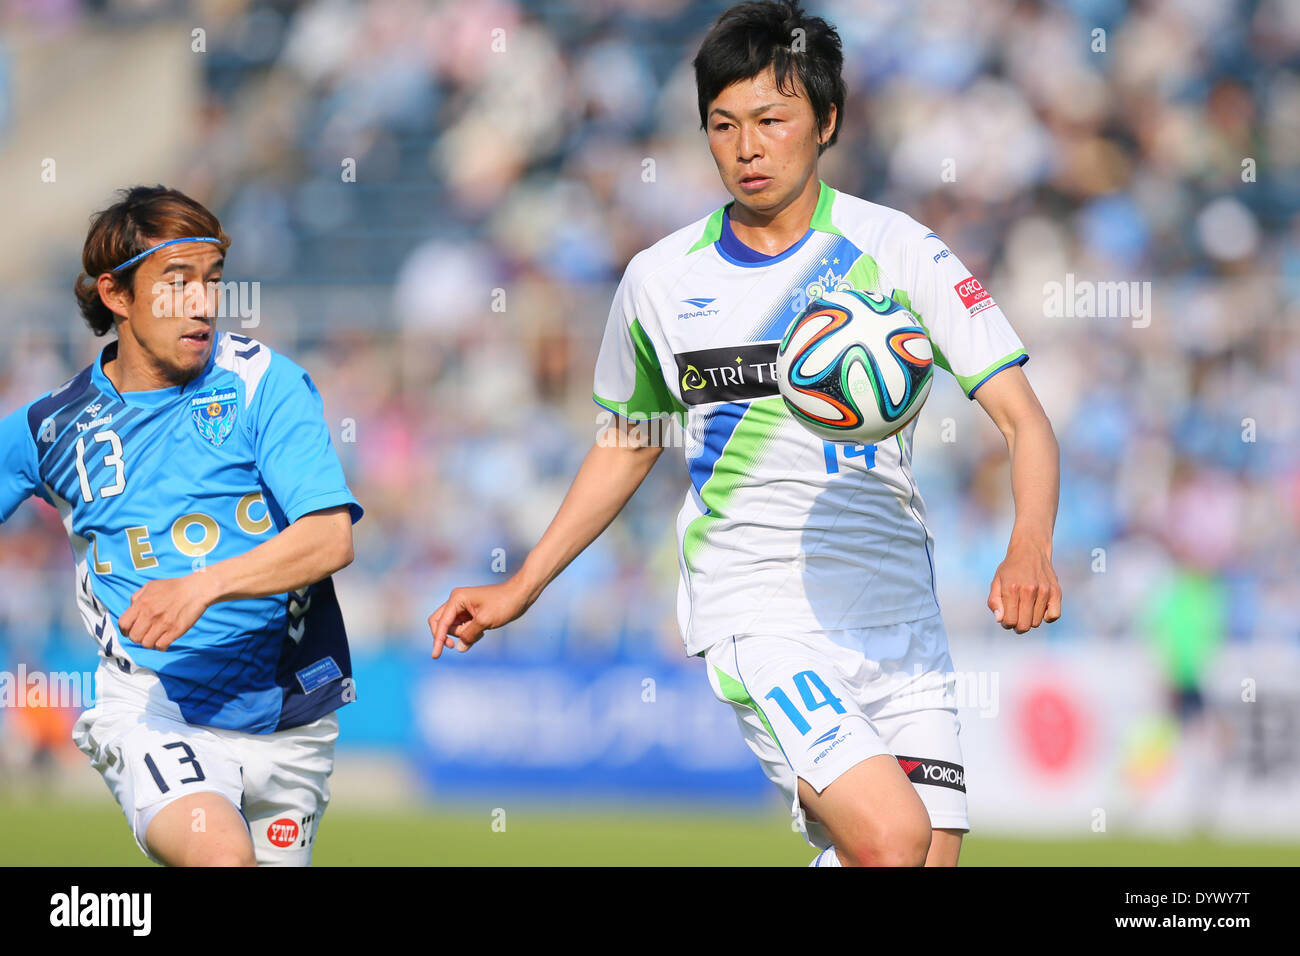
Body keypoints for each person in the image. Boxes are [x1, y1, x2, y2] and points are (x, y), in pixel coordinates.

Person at [428, 0, 1061, 867]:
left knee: (923, 863)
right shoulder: (659, 279)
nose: (747, 146)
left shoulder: (896, 249)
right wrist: (523, 585)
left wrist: (1029, 543)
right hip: (759, 609)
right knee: (893, 838)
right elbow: (628, 439)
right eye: (723, 125)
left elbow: (1024, 418)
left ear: (826, 121)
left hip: (898, 612)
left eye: (771, 119)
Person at [0, 185, 362, 866]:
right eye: (176, 281)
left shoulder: (265, 385)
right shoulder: (52, 428)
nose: (202, 302)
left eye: (212, 280)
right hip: (154, 706)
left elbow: (329, 537)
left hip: (291, 718)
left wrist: (200, 586)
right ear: (117, 295)